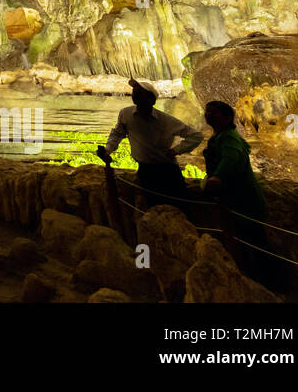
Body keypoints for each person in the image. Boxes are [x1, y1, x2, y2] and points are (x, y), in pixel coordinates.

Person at [201, 100, 283, 288]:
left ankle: (268, 285)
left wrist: (216, 178)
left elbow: (231, 158)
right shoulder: (220, 137)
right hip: (238, 201)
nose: (208, 115)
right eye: (207, 112)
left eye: (214, 112)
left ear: (228, 117)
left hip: (245, 202)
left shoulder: (229, 138)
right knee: (248, 243)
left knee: (255, 244)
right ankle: (258, 282)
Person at [96, 78, 204, 206]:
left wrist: (176, 150)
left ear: (152, 100)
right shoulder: (125, 114)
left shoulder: (166, 121)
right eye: (134, 92)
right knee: (153, 206)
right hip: (145, 170)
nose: (135, 95)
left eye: (140, 92)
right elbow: (117, 134)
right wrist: (108, 149)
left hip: (167, 170)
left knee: (178, 204)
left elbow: (196, 136)